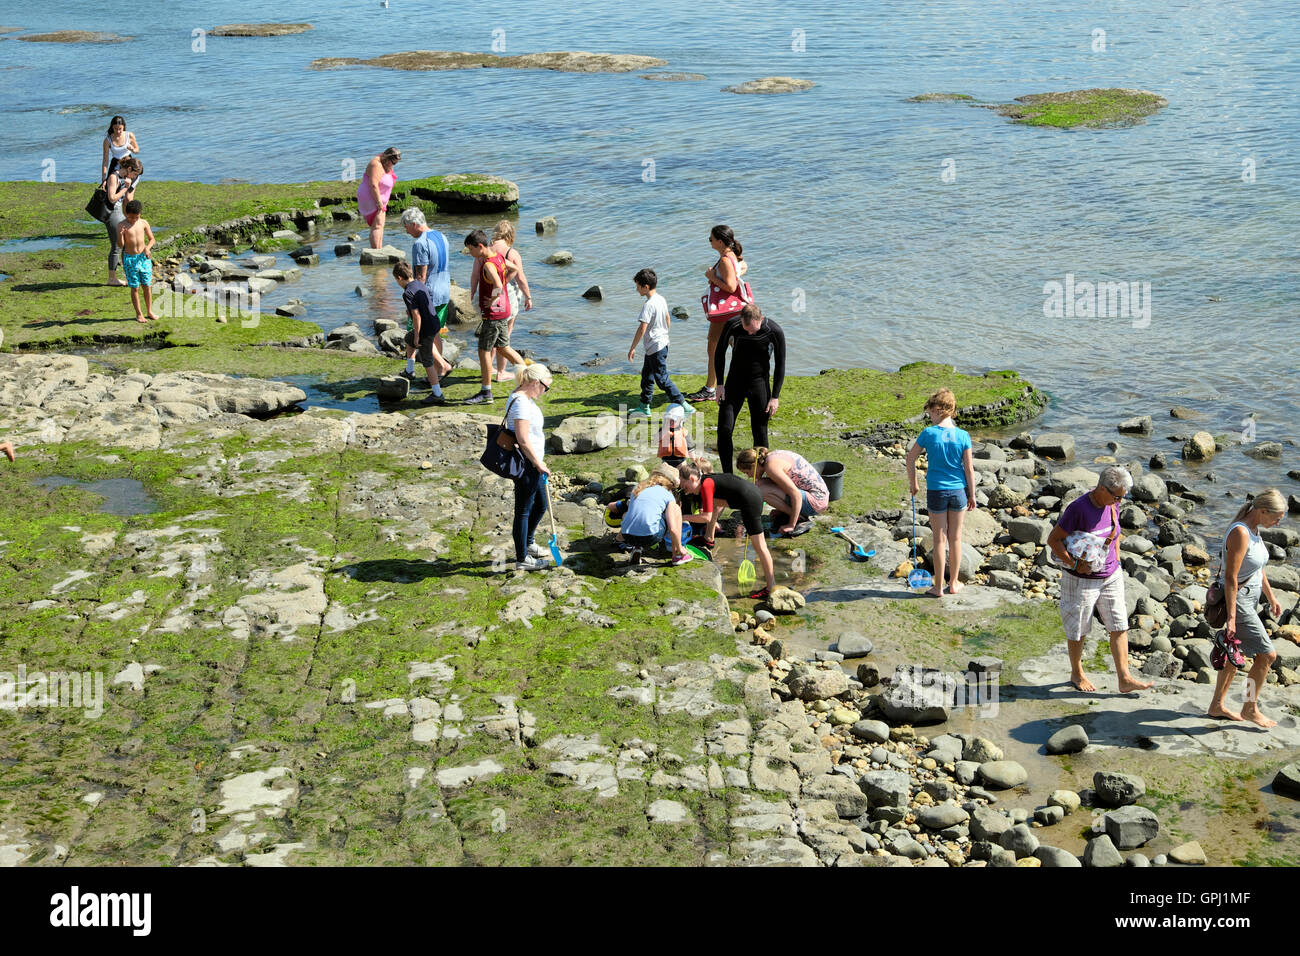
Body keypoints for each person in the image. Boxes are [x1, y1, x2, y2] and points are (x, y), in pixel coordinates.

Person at [1046, 466, 1153, 694]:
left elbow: (1115, 534)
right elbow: (1053, 540)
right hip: (1081, 579)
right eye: (1117, 496)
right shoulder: (1078, 509)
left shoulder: (1113, 503)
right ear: (1102, 488)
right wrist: (1075, 564)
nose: (1120, 500)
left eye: (1123, 497)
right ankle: (1077, 673)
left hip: (1110, 574)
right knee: (1079, 628)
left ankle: (1124, 679)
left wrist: (1118, 562)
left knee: (1119, 624)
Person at [1208, 489, 1286, 727]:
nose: (1279, 522)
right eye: (1277, 517)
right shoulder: (1241, 533)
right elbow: (1231, 578)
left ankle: (1217, 706)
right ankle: (1250, 707)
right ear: (1262, 511)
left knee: (1234, 654)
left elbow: (1258, 568)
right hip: (1239, 602)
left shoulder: (1254, 529)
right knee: (1267, 655)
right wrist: (1231, 618)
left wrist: (1271, 597)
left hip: (1250, 599)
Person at [904, 389, 977, 596]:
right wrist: (972, 495)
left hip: (936, 491)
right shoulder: (963, 435)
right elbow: (969, 469)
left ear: (937, 410)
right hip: (958, 492)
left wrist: (914, 483)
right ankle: (953, 583)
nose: (929, 416)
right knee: (955, 538)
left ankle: (938, 587)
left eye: (929, 412)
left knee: (939, 539)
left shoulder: (928, 433)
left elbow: (910, 459)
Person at [678, 459, 776, 599]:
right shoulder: (705, 481)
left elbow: (705, 517)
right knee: (713, 504)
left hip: (750, 500)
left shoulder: (706, 485)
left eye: (684, 485)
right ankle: (708, 539)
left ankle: (770, 586)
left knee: (760, 546)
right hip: (743, 494)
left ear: (693, 478)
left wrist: (681, 517)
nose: (684, 490)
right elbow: (714, 507)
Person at [711, 304, 785, 474]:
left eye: (753, 330)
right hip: (734, 382)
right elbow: (719, 353)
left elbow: (781, 364)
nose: (750, 333)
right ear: (741, 320)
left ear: (760, 319)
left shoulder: (773, 330)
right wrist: (720, 385)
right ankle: (728, 475)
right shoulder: (733, 325)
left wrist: (775, 397)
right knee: (724, 430)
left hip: (759, 384)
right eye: (746, 329)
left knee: (759, 432)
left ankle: (759, 477)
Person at [463, 230, 526, 405]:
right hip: (504, 310)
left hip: (493, 314)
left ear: (480, 246)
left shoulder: (488, 264)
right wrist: (504, 284)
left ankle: (486, 392)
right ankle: (528, 376)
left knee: (483, 350)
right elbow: (514, 268)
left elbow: (497, 285)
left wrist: (492, 299)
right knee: (503, 347)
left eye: (471, 250)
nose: (470, 254)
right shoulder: (498, 257)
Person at [687, 225, 748, 403]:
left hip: (723, 312)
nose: (709, 241)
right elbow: (743, 266)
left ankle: (711, 388)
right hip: (732, 310)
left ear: (720, 241)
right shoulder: (732, 255)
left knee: (714, 348)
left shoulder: (724, 259)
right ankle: (737, 383)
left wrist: (711, 276)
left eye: (711, 238)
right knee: (730, 346)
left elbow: (731, 287)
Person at [504, 364, 555, 571]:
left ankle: (529, 542)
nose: (545, 391)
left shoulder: (523, 398)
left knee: (541, 505)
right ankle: (522, 558)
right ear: (535, 383)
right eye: (545, 387)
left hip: (533, 463)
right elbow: (523, 439)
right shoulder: (521, 403)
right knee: (523, 511)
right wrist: (538, 463)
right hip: (527, 463)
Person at [627, 268, 692, 418]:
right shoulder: (661, 299)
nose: (636, 289)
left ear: (646, 287)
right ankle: (644, 406)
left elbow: (642, 328)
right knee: (647, 376)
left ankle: (684, 404)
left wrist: (632, 348)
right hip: (660, 344)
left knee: (662, 379)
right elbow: (668, 317)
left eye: (637, 286)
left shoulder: (648, 305)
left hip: (655, 346)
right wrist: (664, 333)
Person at [477, 220, 532, 383]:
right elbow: (520, 277)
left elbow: (475, 275)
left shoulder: (485, 250)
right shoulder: (511, 253)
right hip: (507, 296)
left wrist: (473, 292)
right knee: (504, 336)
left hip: (487, 293)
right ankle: (501, 371)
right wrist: (528, 296)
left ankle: (488, 369)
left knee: (490, 336)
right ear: (510, 235)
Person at [391, 261, 452, 405]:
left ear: (399, 278)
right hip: (434, 322)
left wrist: (418, 335)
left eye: (396, 280)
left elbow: (417, 316)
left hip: (425, 329)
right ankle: (409, 370)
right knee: (408, 338)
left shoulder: (407, 292)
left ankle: (437, 394)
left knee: (427, 362)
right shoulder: (420, 284)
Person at [401, 208, 452, 379]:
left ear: (414, 224)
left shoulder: (420, 244)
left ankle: (440, 366)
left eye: (406, 226)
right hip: (444, 291)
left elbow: (421, 277)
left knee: (418, 332)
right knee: (435, 331)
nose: (406, 230)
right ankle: (436, 370)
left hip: (429, 294)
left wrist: (413, 302)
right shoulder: (441, 236)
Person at [737, 447, 829, 537]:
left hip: (816, 502)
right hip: (814, 495)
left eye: (747, 472)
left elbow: (796, 495)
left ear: (753, 466)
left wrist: (791, 525)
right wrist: (780, 509)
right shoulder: (771, 457)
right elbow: (785, 485)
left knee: (760, 490)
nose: (749, 476)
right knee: (759, 485)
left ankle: (800, 519)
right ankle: (790, 513)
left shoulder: (771, 467)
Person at [618, 474, 692, 566]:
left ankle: (637, 548)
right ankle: (677, 555)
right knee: (675, 510)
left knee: (636, 516)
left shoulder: (638, 488)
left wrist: (619, 538)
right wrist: (680, 547)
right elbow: (673, 528)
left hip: (627, 536)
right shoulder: (668, 494)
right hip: (649, 536)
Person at [103, 156, 142, 286]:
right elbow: (112, 198)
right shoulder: (114, 177)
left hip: (119, 211)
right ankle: (112, 278)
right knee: (116, 246)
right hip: (112, 213)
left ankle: (130, 274)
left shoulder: (124, 179)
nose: (134, 177)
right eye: (134, 174)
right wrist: (125, 188)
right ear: (129, 169)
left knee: (125, 244)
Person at [117, 199, 157, 323]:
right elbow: (120, 245)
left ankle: (149, 311)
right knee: (135, 287)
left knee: (147, 285)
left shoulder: (143, 223)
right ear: (126, 213)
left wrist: (147, 248)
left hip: (143, 258)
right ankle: (139, 314)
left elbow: (152, 239)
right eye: (131, 217)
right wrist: (120, 234)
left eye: (136, 217)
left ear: (140, 214)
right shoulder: (121, 225)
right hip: (130, 259)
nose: (133, 220)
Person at [358, 147, 400, 249]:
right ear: (387, 158)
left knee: (380, 225)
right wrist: (379, 203)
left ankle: (378, 249)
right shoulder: (376, 165)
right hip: (372, 197)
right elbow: (373, 185)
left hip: (379, 198)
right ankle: (376, 252)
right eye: (393, 162)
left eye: (396, 163)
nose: (394, 165)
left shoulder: (385, 163)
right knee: (377, 225)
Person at [100, 115, 138, 184]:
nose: (118, 131)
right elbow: (105, 160)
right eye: (115, 128)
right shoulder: (107, 140)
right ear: (112, 127)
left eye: (120, 129)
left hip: (129, 162)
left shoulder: (129, 135)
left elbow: (137, 150)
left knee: (128, 186)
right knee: (110, 185)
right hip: (115, 163)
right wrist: (103, 177)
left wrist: (133, 150)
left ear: (123, 126)